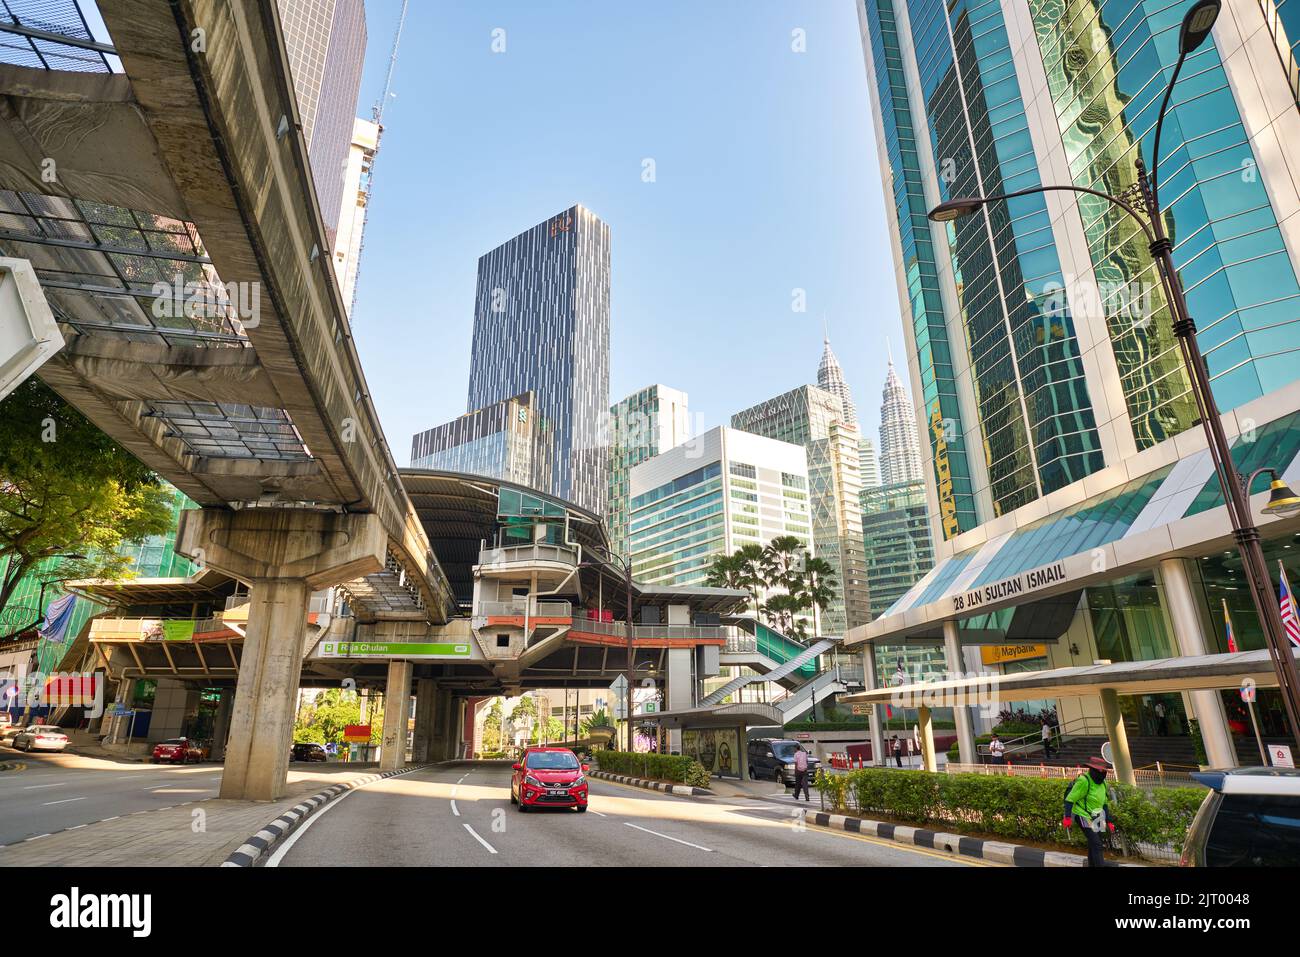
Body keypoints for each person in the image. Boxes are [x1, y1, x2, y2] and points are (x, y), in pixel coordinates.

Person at [1063, 756, 1115, 867]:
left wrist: (1109, 821)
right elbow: (1070, 799)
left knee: (1095, 843)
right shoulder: (1084, 781)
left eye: (1104, 771)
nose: (1103, 773)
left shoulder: (1103, 783)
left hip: (1097, 815)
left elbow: (1104, 803)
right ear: (1093, 769)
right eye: (1100, 770)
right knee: (1097, 844)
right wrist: (1067, 817)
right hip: (1083, 814)